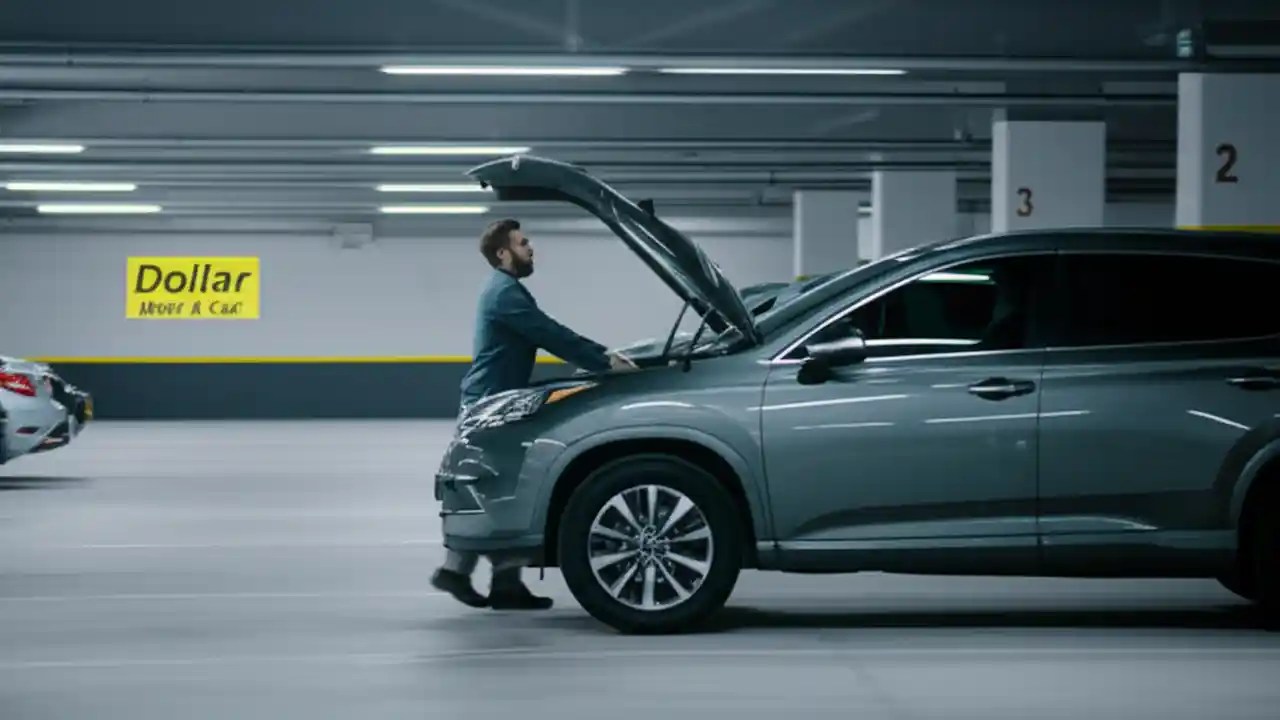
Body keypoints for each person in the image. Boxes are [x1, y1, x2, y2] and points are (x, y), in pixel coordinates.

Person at [431, 218, 637, 610]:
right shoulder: (505, 294)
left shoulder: (505, 290)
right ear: (503, 253)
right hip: (490, 405)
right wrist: (603, 360)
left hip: (495, 400)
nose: (531, 249)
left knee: (505, 487)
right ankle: (464, 573)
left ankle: (489, 579)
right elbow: (550, 333)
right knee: (498, 488)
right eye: (524, 243)